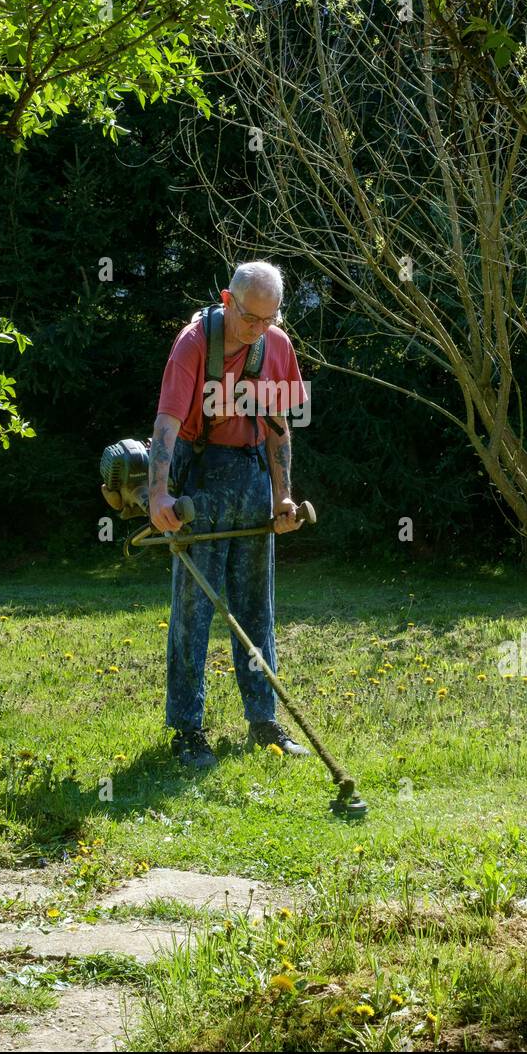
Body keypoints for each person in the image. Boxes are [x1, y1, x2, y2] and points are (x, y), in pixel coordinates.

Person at [148, 261, 311, 768]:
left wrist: (283, 497)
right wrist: (158, 497)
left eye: (269, 319)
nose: (258, 329)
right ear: (226, 299)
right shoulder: (194, 342)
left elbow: (278, 428)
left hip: (252, 479)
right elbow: (168, 422)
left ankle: (264, 722)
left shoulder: (277, 347)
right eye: (249, 318)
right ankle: (186, 729)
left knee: (255, 607)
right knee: (194, 610)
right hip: (200, 477)